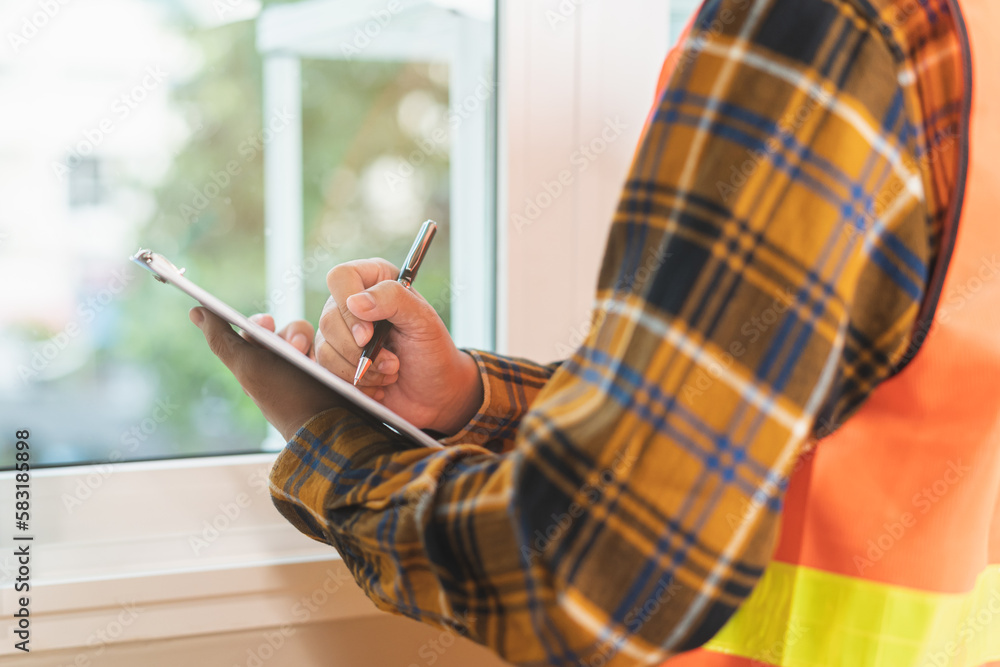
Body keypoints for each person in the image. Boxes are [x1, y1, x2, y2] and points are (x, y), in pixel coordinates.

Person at [191, 0, 1000, 664]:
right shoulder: (963, 38)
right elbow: (754, 394)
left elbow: (592, 566)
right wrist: (468, 398)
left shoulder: (812, 26)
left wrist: (324, 434)